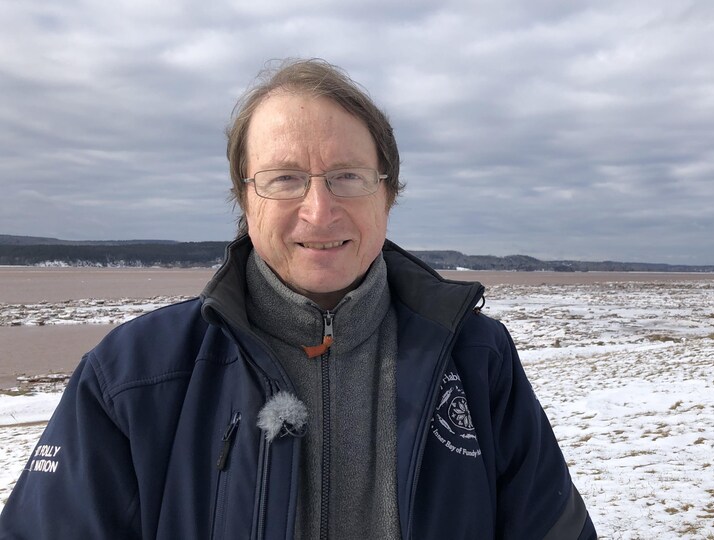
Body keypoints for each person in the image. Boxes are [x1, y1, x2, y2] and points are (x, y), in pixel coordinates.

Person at [0, 59, 596, 539]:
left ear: (387, 194)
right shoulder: (135, 375)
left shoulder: (474, 356)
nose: (319, 209)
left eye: (348, 176)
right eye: (284, 178)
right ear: (244, 197)